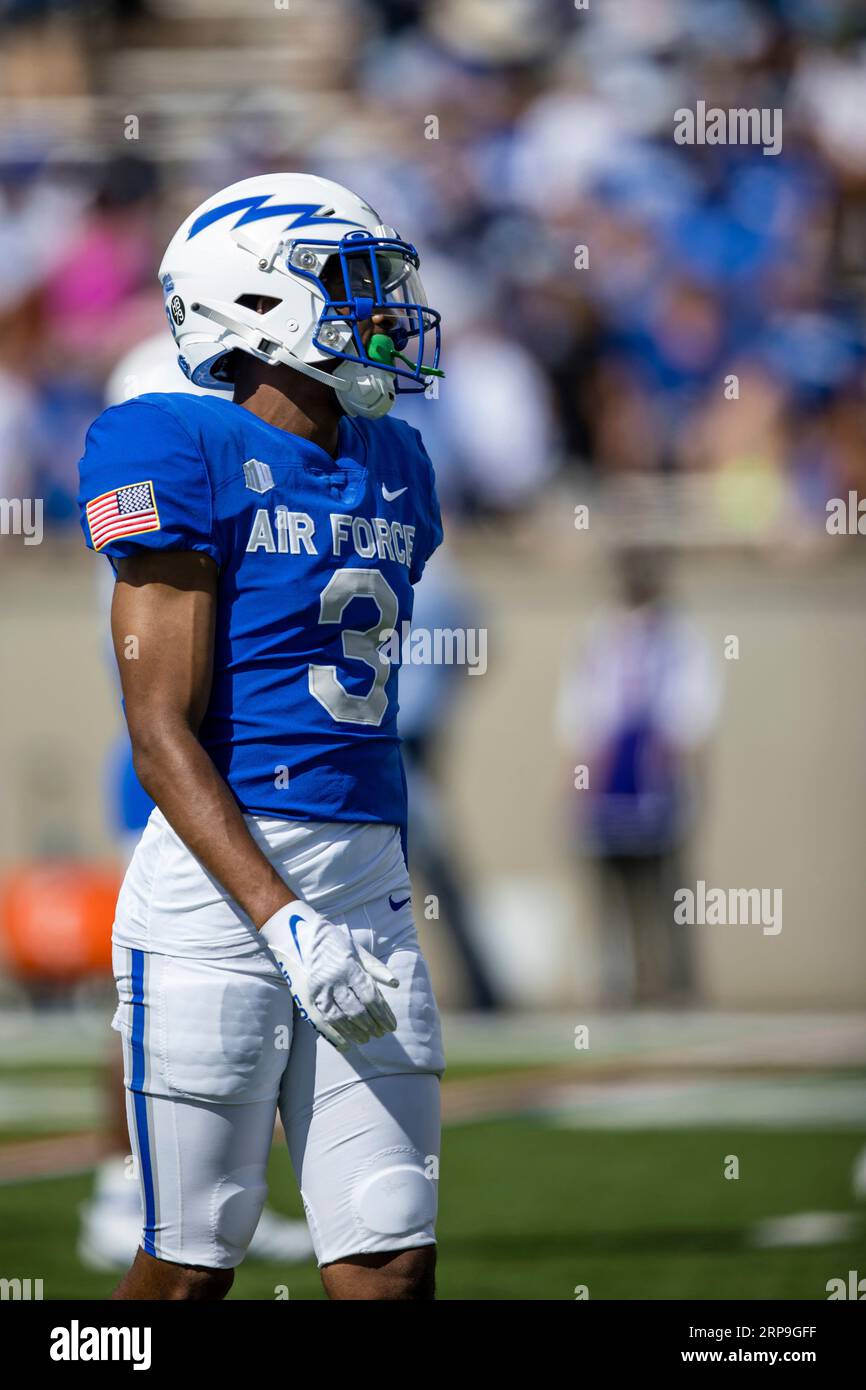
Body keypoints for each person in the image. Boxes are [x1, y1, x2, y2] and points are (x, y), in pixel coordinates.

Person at [77, 173, 446, 1300]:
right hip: (217, 893)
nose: (382, 312)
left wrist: (332, 910)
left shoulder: (398, 461)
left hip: (368, 875)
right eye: (350, 284)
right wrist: (280, 916)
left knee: (388, 1246)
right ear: (255, 302)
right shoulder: (170, 440)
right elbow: (158, 730)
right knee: (192, 1260)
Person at [556, 547, 722, 1007]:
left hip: (655, 773)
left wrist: (680, 764)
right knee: (611, 884)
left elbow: (695, 709)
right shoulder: (601, 632)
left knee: (666, 884)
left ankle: (676, 985)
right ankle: (618, 985)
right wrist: (578, 774)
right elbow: (582, 709)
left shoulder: (680, 636)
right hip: (610, 775)